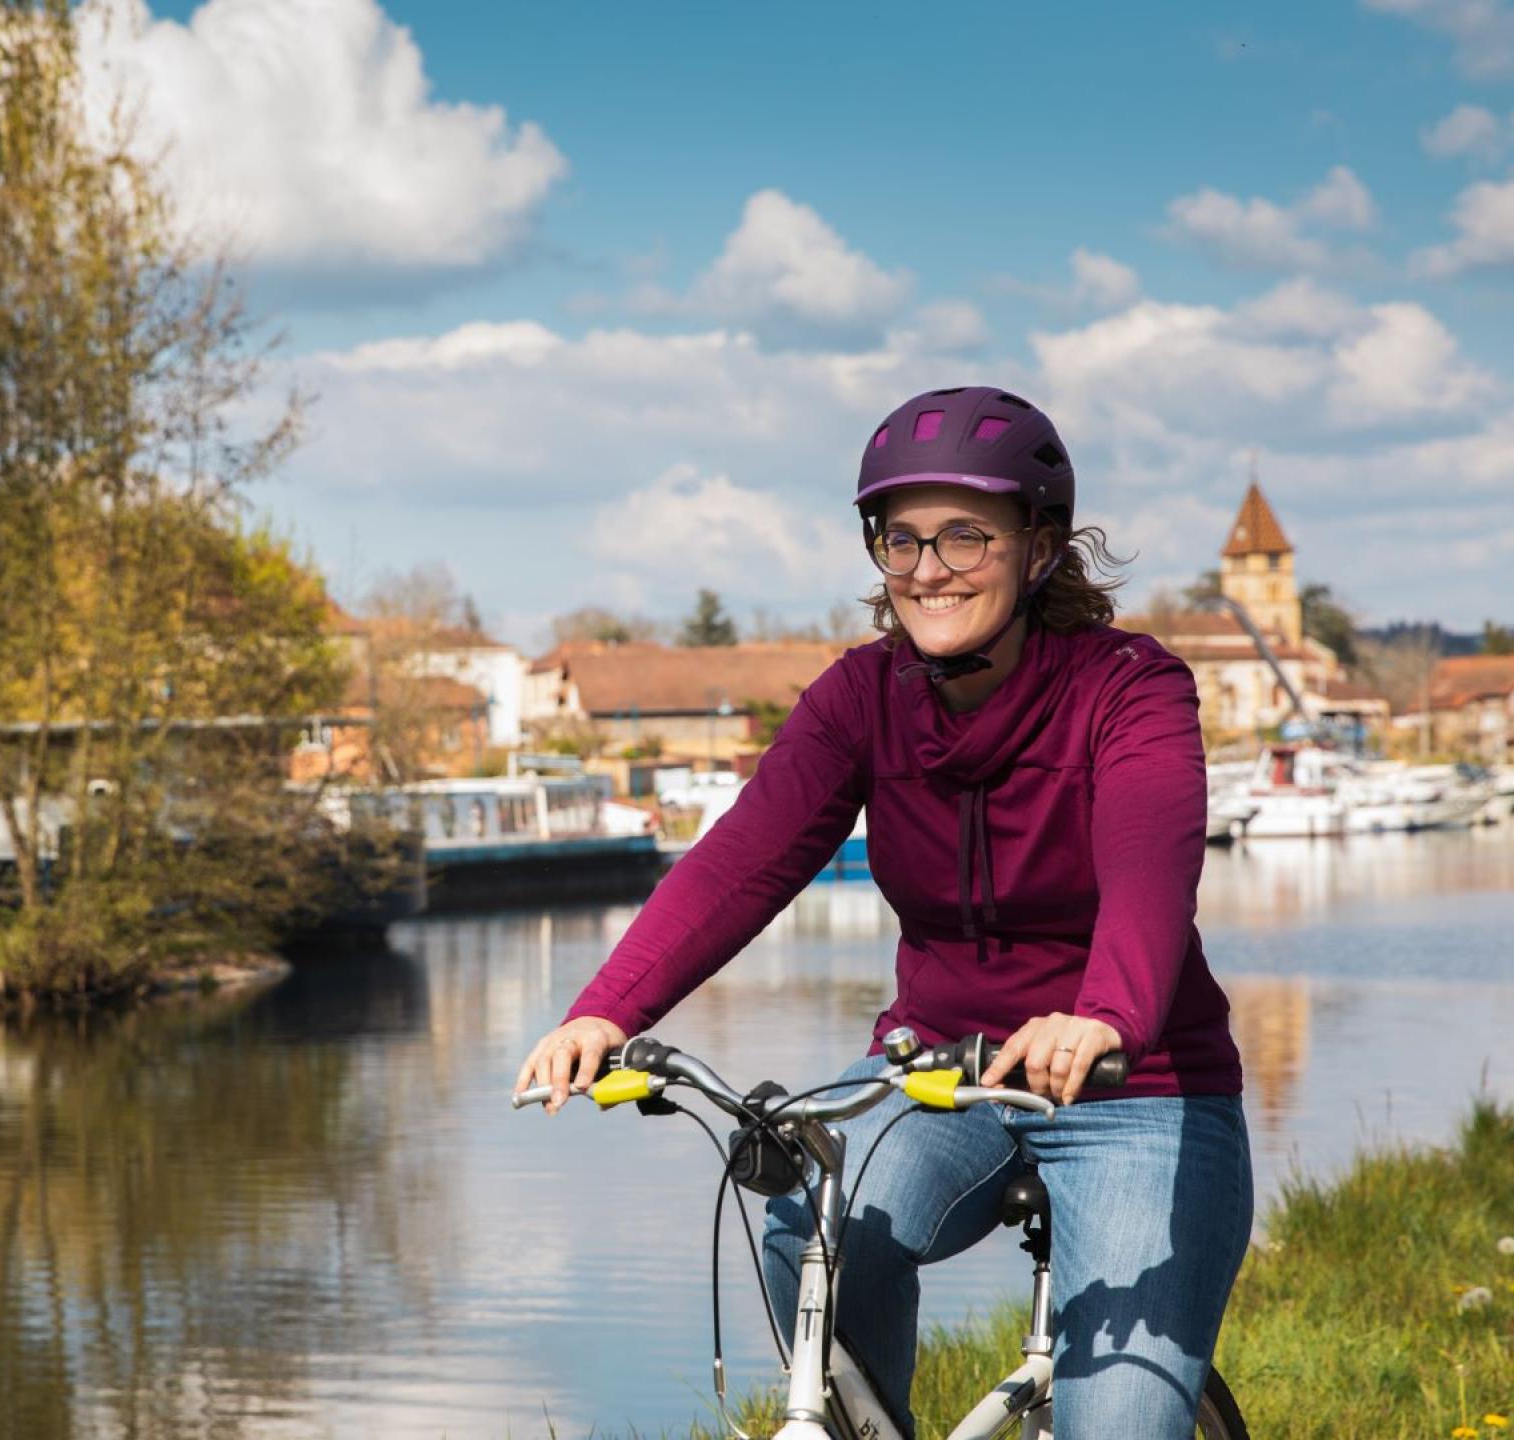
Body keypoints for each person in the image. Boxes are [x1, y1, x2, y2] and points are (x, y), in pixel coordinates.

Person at [513, 386, 1251, 1439]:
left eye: (965, 534)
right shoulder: (861, 698)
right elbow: (740, 863)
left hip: (1140, 1084)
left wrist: (1107, 1016)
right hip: (939, 1068)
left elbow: (1150, 865)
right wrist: (605, 1011)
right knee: (809, 1221)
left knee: (1122, 1422)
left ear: (1039, 549)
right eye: (899, 539)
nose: (926, 568)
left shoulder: (1128, 688)